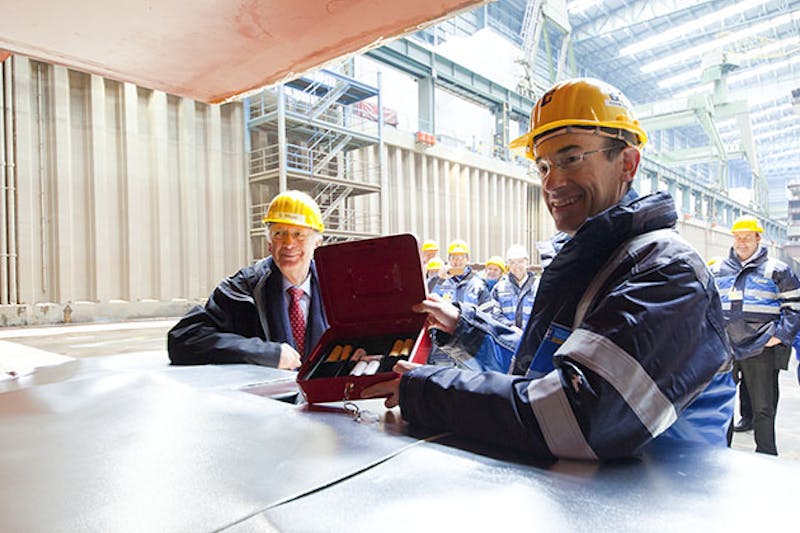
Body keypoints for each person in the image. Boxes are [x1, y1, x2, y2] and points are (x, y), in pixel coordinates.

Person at [364, 78, 734, 460]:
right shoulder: (593, 264)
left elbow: (578, 417)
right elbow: (537, 372)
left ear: (627, 163)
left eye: (571, 159)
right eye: (543, 166)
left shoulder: (668, 272)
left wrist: (426, 390)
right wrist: (465, 329)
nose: (553, 182)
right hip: (599, 501)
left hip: (663, 506)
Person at [167, 190, 328, 370]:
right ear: (269, 243)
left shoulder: (337, 287)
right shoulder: (243, 288)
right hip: (267, 397)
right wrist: (263, 353)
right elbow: (183, 338)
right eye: (279, 234)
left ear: (317, 243)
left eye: (299, 234)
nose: (288, 244)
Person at [710, 215, 800, 455]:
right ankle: (720, 453)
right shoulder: (717, 269)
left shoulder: (777, 270)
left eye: (748, 238)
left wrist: (779, 336)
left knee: (763, 407)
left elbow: (794, 306)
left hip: (761, 347)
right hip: (726, 348)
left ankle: (767, 454)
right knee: (721, 404)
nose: (742, 242)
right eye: (738, 237)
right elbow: (705, 305)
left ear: (758, 238)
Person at [428, 239, 493, 366]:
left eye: (461, 257)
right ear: (448, 260)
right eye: (454, 257)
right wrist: (438, 280)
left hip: (469, 345)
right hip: (442, 345)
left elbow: (487, 314)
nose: (457, 261)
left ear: (467, 259)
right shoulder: (439, 281)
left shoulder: (478, 284)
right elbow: (426, 298)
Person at [491, 244, 538, 333]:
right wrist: (509, 327)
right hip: (506, 338)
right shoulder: (499, 288)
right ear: (508, 264)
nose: (516, 266)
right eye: (512, 262)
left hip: (532, 338)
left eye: (520, 262)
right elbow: (493, 313)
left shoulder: (538, 286)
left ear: (527, 262)